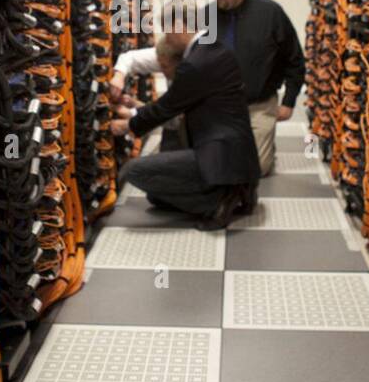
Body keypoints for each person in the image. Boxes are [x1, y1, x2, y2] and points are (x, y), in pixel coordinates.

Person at [109, 20, 260, 231]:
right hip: (235, 151)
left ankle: (220, 199)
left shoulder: (195, 63)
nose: (166, 38)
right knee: (157, 196)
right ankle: (236, 187)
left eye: (167, 31)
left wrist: (128, 126)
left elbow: (167, 108)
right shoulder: (214, 48)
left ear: (179, 26)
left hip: (219, 151)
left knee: (135, 171)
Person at [206, 0, 306, 176]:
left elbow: (295, 59)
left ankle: (262, 144)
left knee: (257, 168)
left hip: (259, 106)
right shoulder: (209, 16)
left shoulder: (270, 13)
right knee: (212, 163)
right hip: (220, 107)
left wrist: (289, 101)